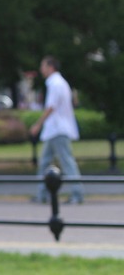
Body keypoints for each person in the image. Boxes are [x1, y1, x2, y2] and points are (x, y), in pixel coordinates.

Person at [30, 56, 84, 204]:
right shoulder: (60, 83)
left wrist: (37, 124)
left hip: (57, 129)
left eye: (43, 66)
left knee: (65, 162)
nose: (41, 69)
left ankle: (77, 194)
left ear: (50, 67)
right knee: (46, 163)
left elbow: (51, 107)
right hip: (56, 130)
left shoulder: (55, 84)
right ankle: (42, 194)